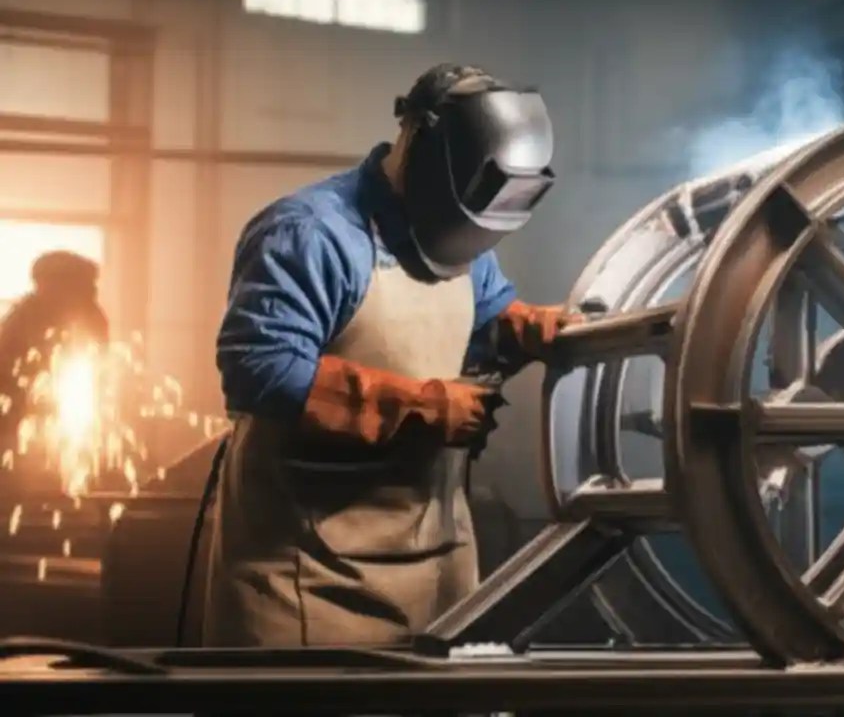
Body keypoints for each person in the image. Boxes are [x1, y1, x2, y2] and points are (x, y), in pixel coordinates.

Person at [205, 63, 573, 647]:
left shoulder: (462, 238)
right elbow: (260, 367)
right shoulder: (312, 233)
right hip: (310, 583)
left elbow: (478, 321)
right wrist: (416, 406)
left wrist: (524, 327)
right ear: (418, 142)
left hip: (439, 574)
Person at [0, 251, 109, 494]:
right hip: (16, 430)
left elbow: (101, 375)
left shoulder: (91, 317)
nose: (91, 292)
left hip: (63, 429)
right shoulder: (22, 320)